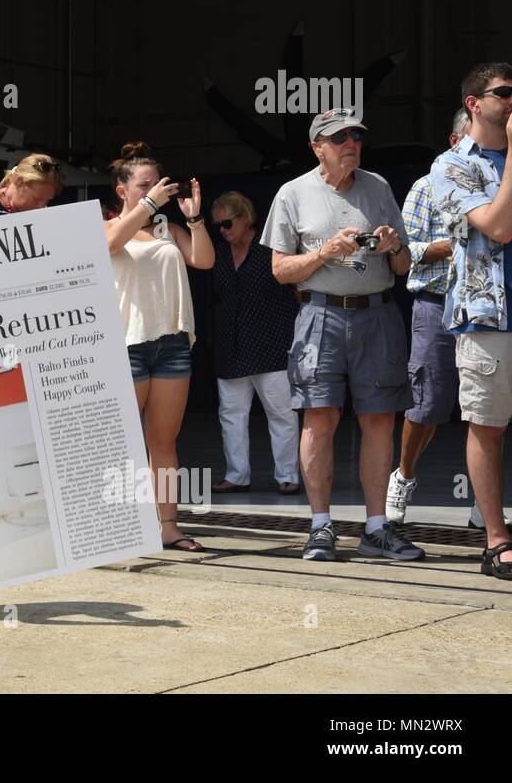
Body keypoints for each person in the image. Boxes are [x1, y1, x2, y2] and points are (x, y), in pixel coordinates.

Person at [262, 108, 423, 562]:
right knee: (319, 418)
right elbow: (278, 270)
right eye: (339, 138)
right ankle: (320, 526)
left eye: (355, 136)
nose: (350, 143)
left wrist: (395, 247)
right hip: (321, 316)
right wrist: (327, 250)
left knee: (378, 419)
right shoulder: (292, 193)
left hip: (378, 315)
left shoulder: (379, 187)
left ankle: (376, 527)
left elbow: (404, 266)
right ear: (317, 148)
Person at [105, 142, 214, 551]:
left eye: (158, 183)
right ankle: (119, 525)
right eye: (144, 185)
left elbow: (204, 261)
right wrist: (148, 205)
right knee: (122, 443)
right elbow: (111, 242)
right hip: (127, 344)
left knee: (164, 443)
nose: (156, 190)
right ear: (123, 191)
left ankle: (167, 526)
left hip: (171, 342)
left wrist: (196, 218)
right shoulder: (107, 224)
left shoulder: (169, 229)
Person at [428, 63, 512, 580]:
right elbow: (498, 226)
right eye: (506, 92)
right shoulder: (454, 165)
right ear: (476, 103)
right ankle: (497, 539)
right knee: (488, 427)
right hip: (489, 316)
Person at [386, 107, 471, 524]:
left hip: (485, 311)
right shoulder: (425, 187)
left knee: (486, 410)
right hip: (436, 306)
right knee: (429, 404)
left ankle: (482, 503)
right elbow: (405, 250)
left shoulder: (498, 188)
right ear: (455, 142)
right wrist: (449, 247)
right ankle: (403, 476)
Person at [210, 191, 301, 495]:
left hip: (271, 344)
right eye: (218, 226)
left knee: (281, 413)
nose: (222, 231)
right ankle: (237, 475)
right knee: (231, 415)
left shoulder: (270, 249)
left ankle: (288, 475)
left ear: (245, 218)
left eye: (227, 223)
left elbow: (297, 290)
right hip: (230, 345)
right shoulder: (218, 254)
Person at [0, 153, 63, 219]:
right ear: (19, 181)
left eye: (48, 200)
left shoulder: (43, 213)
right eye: (36, 198)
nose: (42, 206)